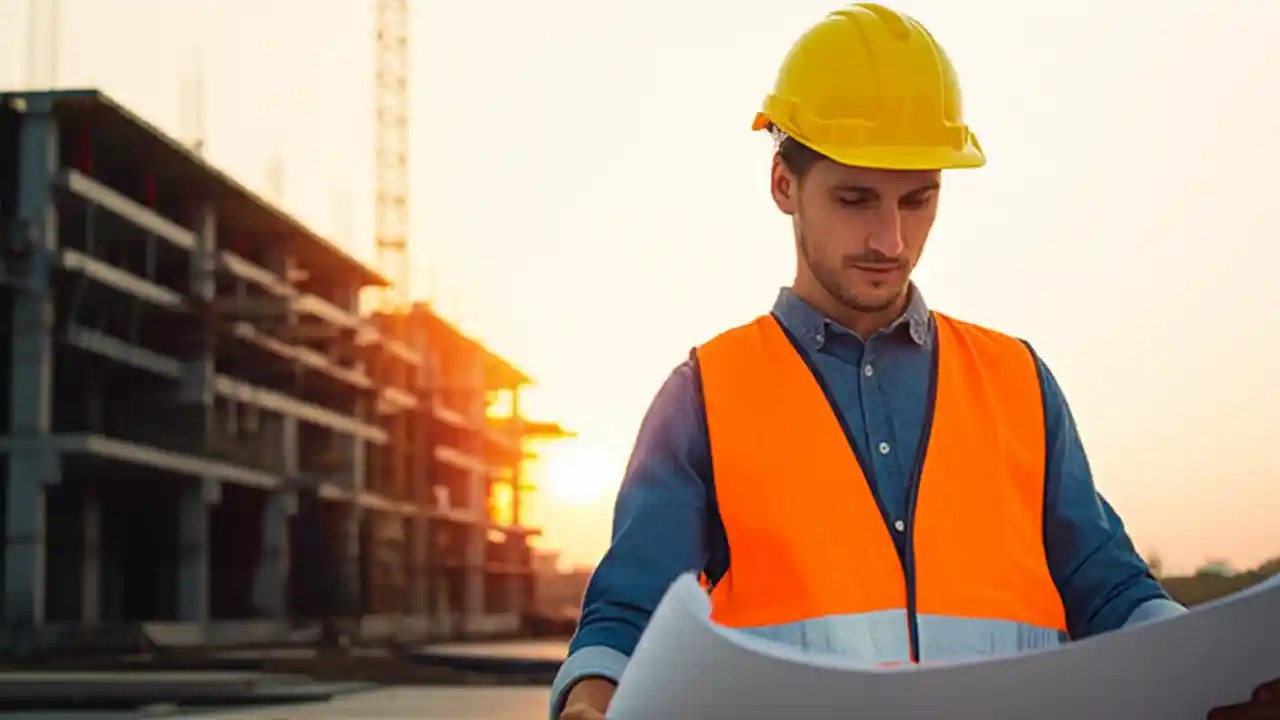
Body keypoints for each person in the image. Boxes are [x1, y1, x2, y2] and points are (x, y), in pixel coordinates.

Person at [551, 4, 1280, 718]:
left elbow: (1107, 587)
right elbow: (627, 619)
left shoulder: (1018, 381)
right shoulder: (704, 394)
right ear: (784, 185)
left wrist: (1217, 675)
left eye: (918, 200)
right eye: (856, 199)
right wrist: (589, 703)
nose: (891, 241)